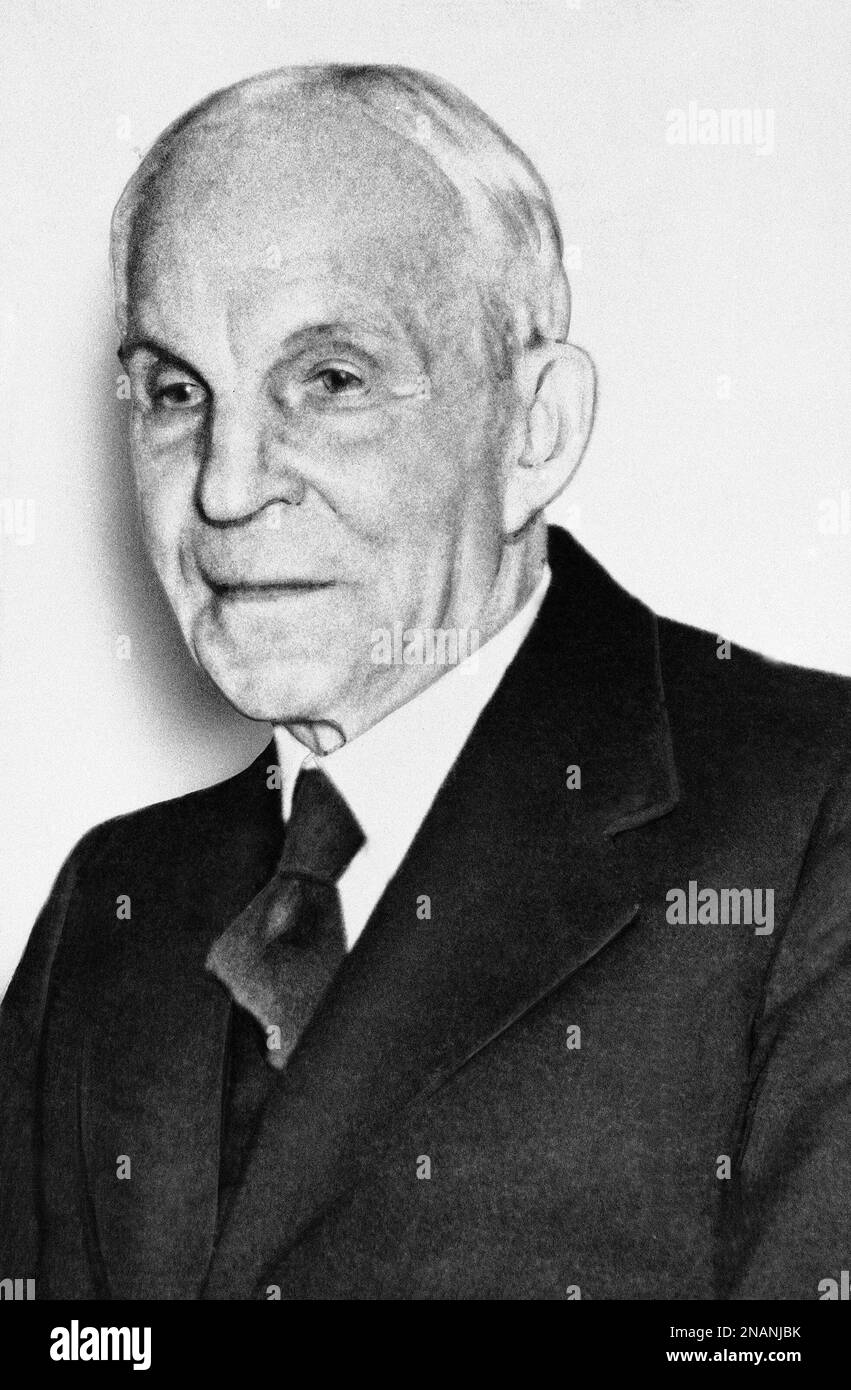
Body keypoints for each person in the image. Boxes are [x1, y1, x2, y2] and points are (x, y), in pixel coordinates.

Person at [1, 64, 849, 1301]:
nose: (228, 488)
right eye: (179, 394)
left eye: (328, 382)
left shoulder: (810, 821)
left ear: (533, 429)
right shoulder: (117, 898)